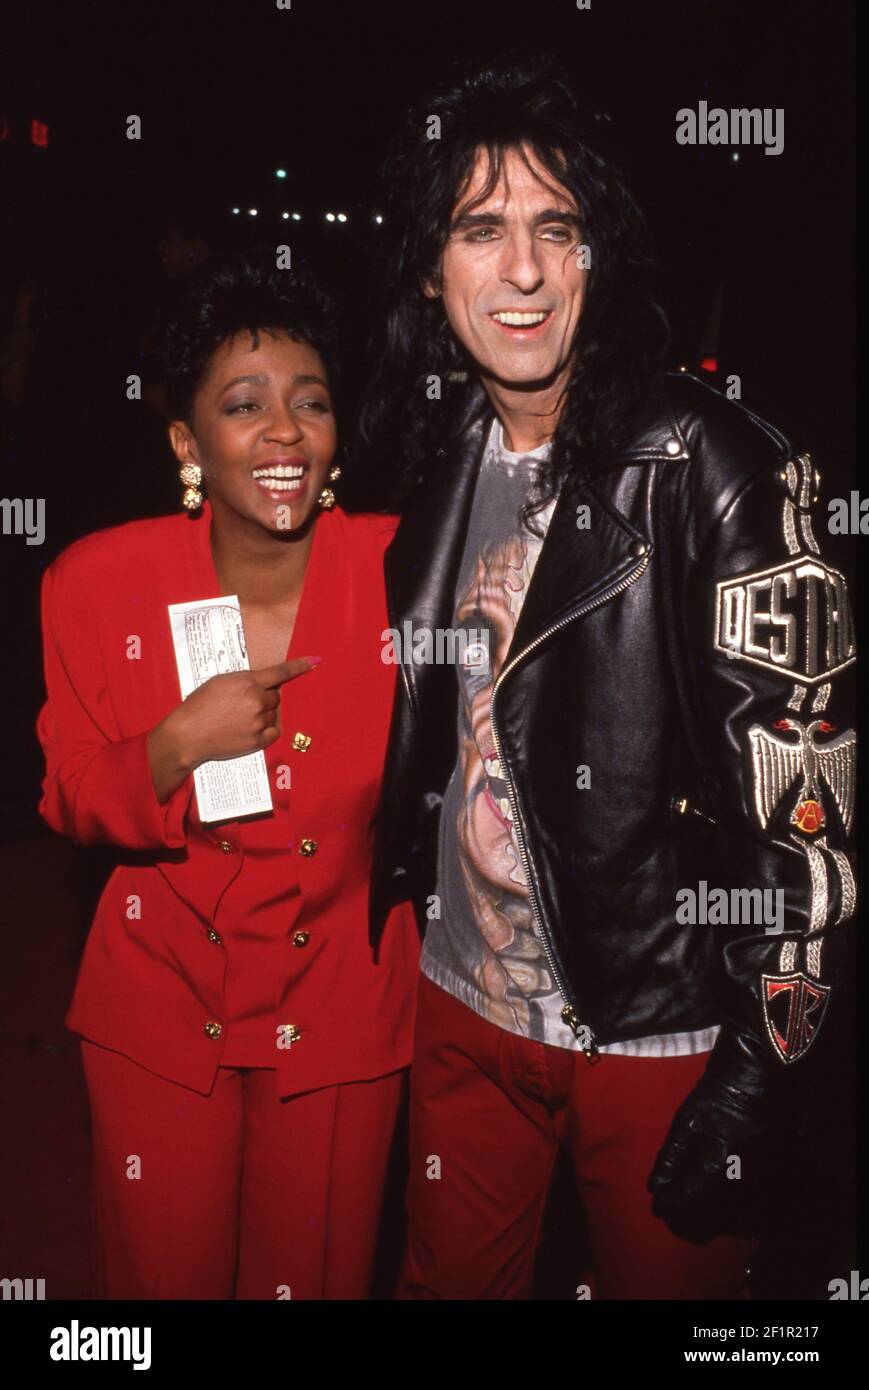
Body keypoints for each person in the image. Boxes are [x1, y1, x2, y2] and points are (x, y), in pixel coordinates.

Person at [362, 57, 857, 1299]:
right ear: (431, 268)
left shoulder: (717, 467)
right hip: (461, 1012)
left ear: (597, 256)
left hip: (660, 1031)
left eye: (554, 228)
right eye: (479, 230)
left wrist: (757, 1067)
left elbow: (810, 812)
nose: (520, 272)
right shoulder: (431, 453)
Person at [37, 249, 420, 1300]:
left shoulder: (405, 576)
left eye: (310, 403)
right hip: (157, 1016)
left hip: (340, 1014)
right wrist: (176, 744)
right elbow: (68, 792)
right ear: (186, 441)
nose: (285, 432)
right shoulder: (92, 583)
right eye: (244, 405)